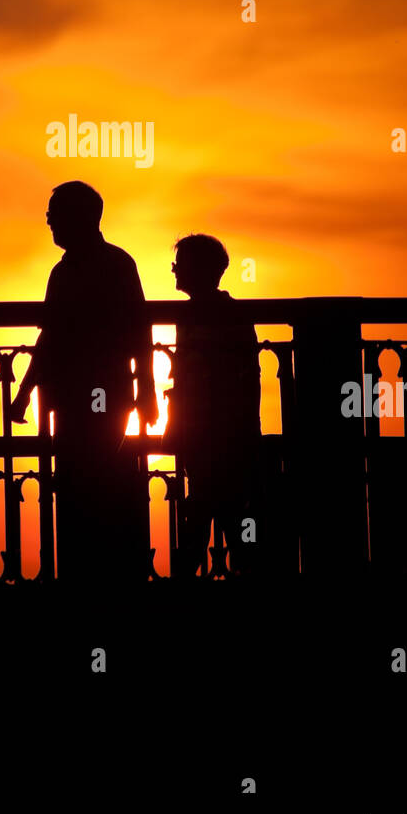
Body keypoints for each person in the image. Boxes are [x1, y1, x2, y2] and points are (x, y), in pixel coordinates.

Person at [9, 182, 158, 583]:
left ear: (80, 217)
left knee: (103, 482)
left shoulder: (115, 265)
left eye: (54, 212)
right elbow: (50, 335)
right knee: (76, 484)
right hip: (72, 398)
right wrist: (25, 392)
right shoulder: (66, 270)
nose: (48, 220)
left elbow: (139, 329)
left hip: (102, 392)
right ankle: (86, 573)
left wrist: (146, 388)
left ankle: (106, 574)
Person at [167, 234, 263, 577]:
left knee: (211, 506)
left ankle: (191, 572)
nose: (174, 270)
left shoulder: (213, 315)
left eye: (180, 264)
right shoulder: (209, 313)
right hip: (216, 434)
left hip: (218, 434)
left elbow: (230, 380)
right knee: (224, 508)